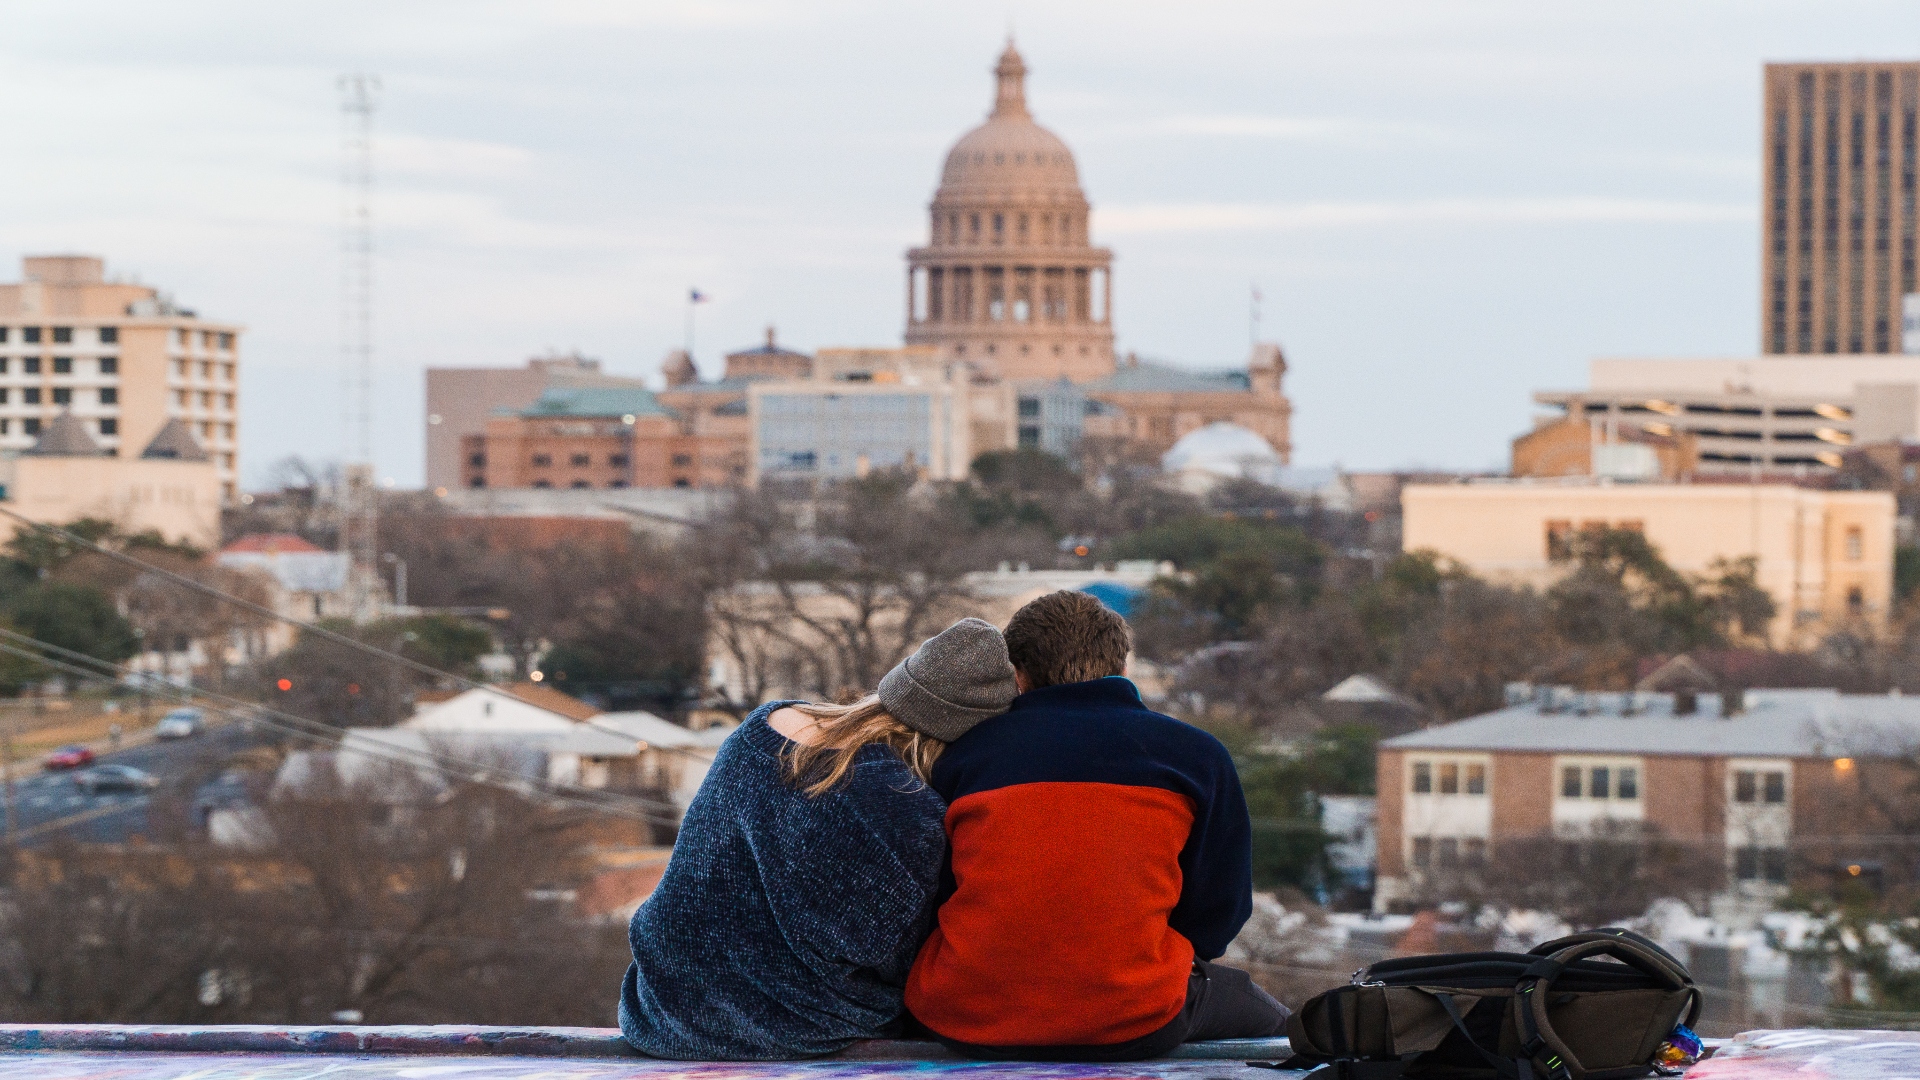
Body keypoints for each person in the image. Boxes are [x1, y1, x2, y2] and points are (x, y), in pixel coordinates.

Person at [905, 590, 1286, 1061]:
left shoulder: (961, 758)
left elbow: (927, 900)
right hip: (1136, 1014)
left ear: (1018, 675)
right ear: (1122, 667)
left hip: (965, 1016)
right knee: (1286, 1033)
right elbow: (1219, 913)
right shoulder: (1197, 757)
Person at [618, 617, 1018, 1060]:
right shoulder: (905, 809)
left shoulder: (763, 725)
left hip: (662, 1007)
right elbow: (905, 963)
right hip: (794, 1032)